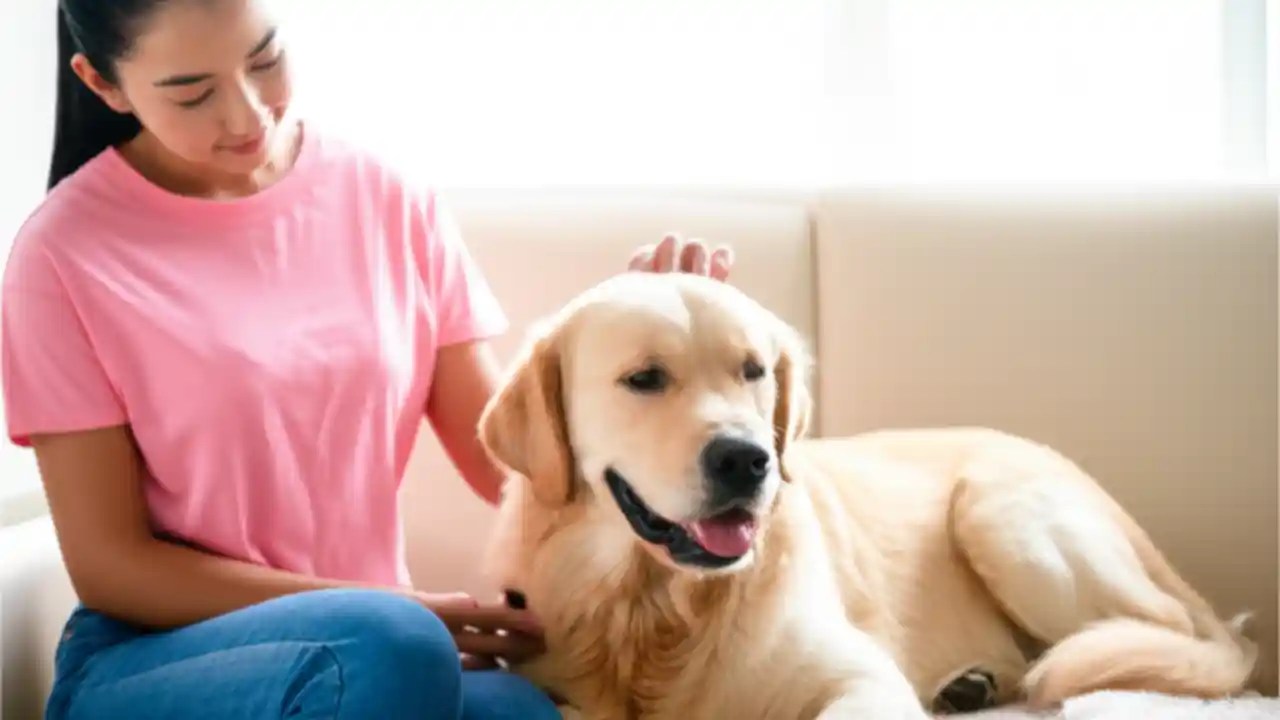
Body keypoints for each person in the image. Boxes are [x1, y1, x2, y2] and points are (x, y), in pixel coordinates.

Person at [2, 1, 734, 718]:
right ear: (104, 85)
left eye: (266, 59)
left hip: (372, 655)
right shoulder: (62, 256)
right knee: (394, 648)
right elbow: (110, 567)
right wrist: (380, 608)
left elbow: (515, 470)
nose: (249, 112)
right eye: (193, 93)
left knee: (513, 707)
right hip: (159, 663)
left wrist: (637, 347)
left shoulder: (387, 196)